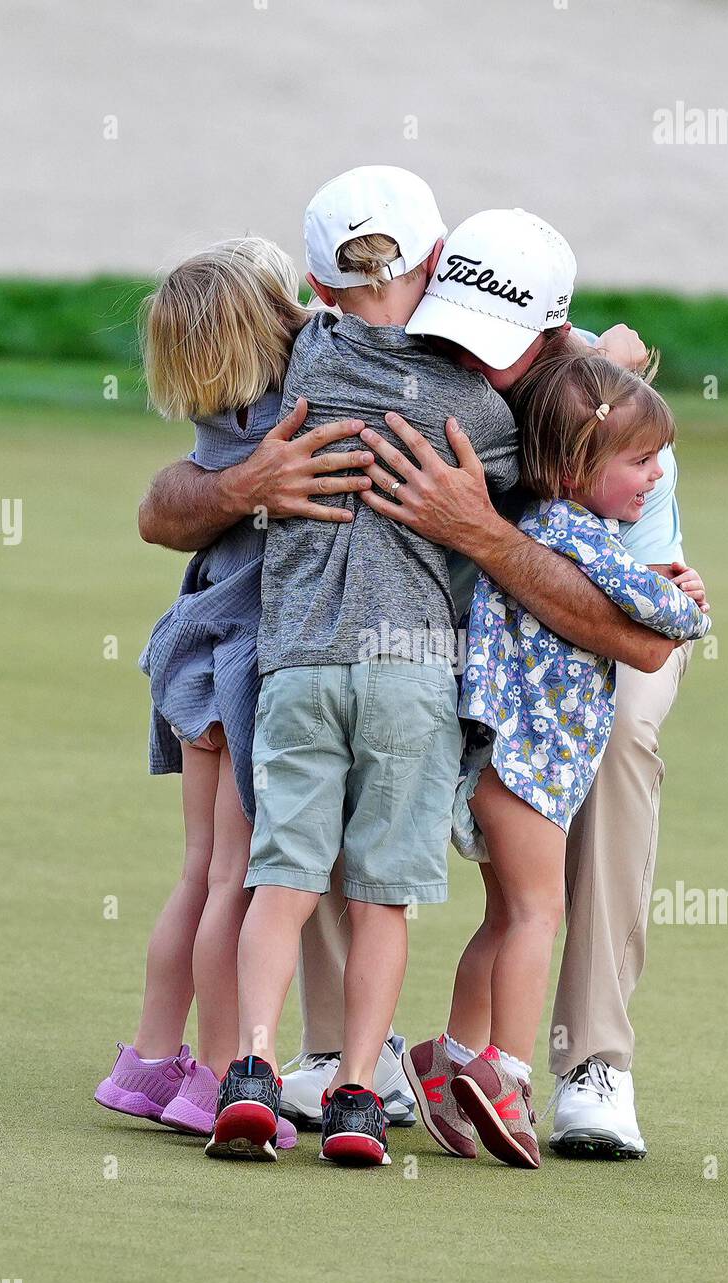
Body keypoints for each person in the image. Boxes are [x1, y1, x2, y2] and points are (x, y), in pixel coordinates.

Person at [136, 211, 690, 1161]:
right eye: (455, 324)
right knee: (326, 695)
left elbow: (633, 640)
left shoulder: (609, 421)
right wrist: (243, 486)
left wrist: (480, 531)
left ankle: (590, 1059)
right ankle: (351, 1057)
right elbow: (162, 506)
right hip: (408, 642)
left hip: (572, 639)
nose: (469, 359)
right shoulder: (374, 335)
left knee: (625, 734)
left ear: (556, 336)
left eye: (500, 348)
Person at [205, 167, 520, 1168]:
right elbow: (523, 484)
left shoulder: (302, 361)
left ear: (316, 283)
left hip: (299, 663)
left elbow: (283, 312)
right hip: (413, 672)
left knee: (285, 877)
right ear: (436, 264)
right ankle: (350, 1094)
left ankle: (250, 1069)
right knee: (382, 893)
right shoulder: (477, 404)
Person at [403, 342, 710, 1168]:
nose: (655, 477)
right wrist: (686, 598)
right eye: (640, 461)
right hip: (533, 765)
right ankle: (504, 1073)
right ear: (578, 464)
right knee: (540, 914)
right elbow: (664, 618)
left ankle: (445, 1062)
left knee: (502, 917)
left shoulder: (541, 523)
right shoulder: (583, 537)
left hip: (501, 757)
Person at [94, 236, 315, 1148]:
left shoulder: (217, 421)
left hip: (195, 658)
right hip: (248, 668)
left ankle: (151, 1060)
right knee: (237, 877)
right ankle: (222, 1077)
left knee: (196, 873)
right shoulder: (296, 406)